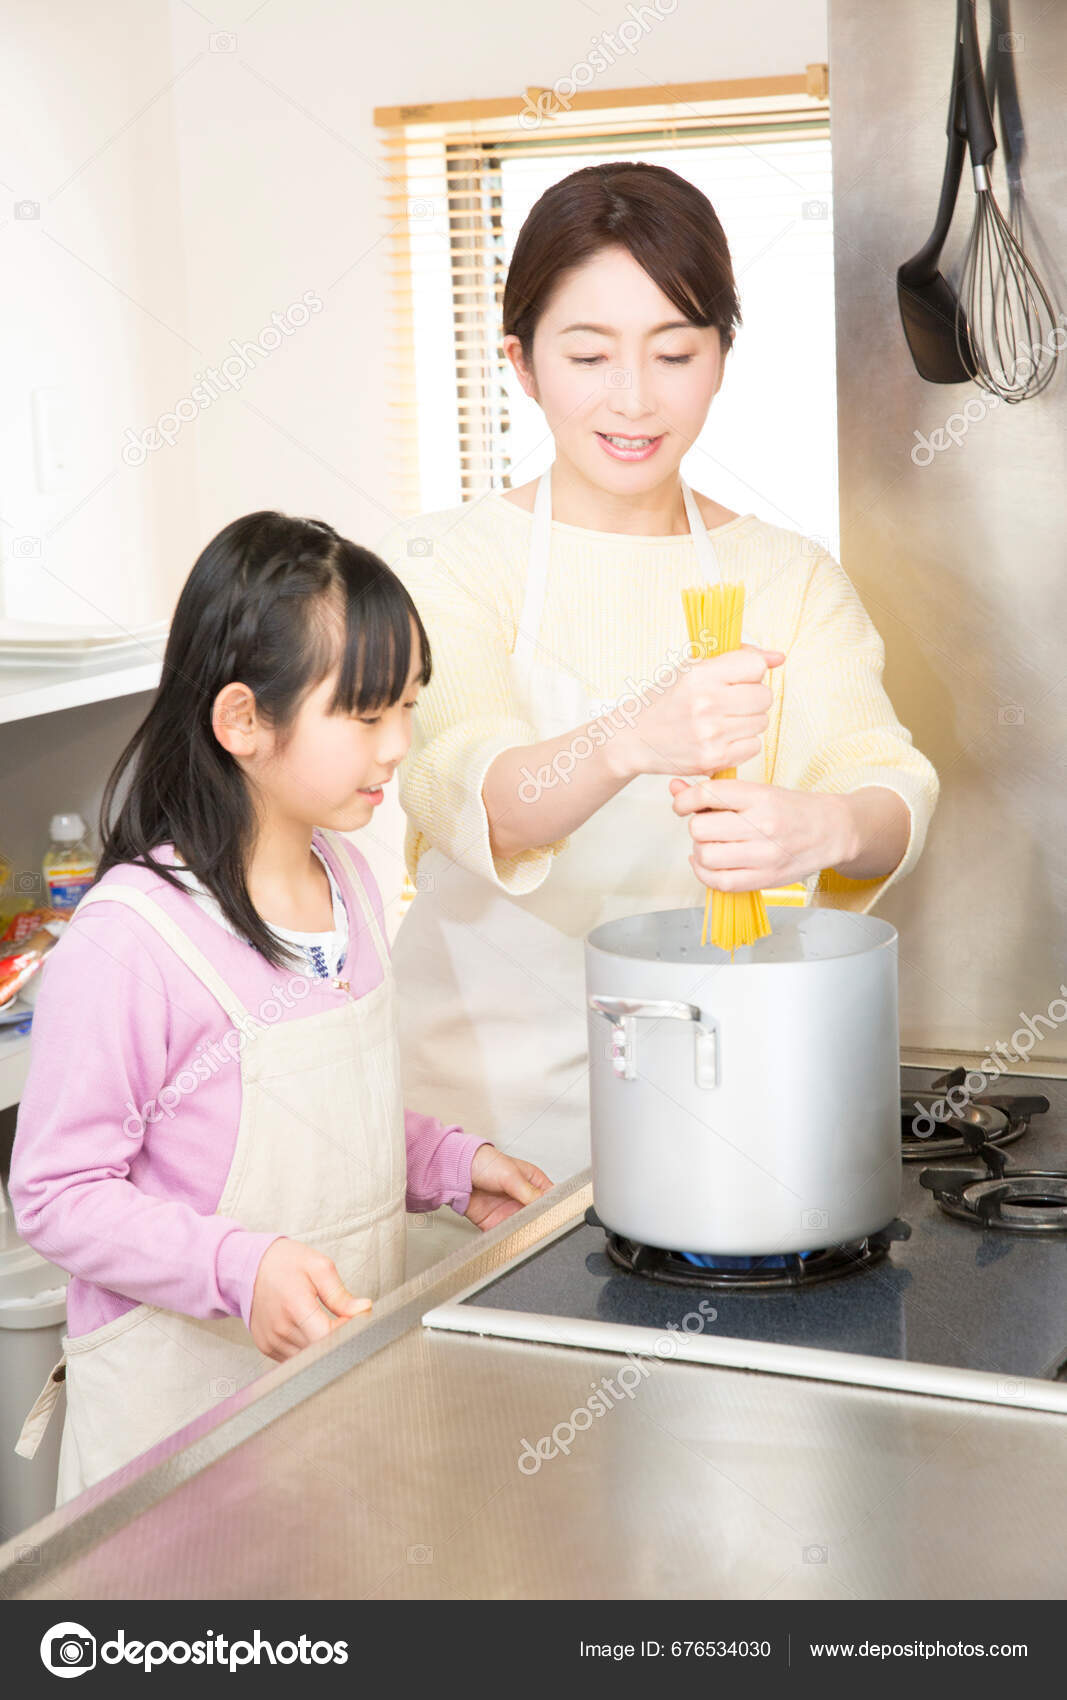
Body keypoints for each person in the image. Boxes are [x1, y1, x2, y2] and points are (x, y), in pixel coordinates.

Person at [377, 161, 939, 1189]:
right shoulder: (439, 563)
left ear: (720, 355)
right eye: (588, 354)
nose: (633, 399)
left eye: (674, 352)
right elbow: (470, 793)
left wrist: (828, 826)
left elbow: (885, 779)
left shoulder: (786, 576)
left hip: (697, 1098)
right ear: (521, 363)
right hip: (465, 1133)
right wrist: (631, 737)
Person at [10, 511, 549, 1505]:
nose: (399, 745)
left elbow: (324, 1114)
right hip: (177, 1450)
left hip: (333, 1423)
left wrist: (446, 1162)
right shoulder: (132, 938)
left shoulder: (348, 880)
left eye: (408, 706)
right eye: (365, 714)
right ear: (243, 722)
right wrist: (239, 1269)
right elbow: (56, 1192)